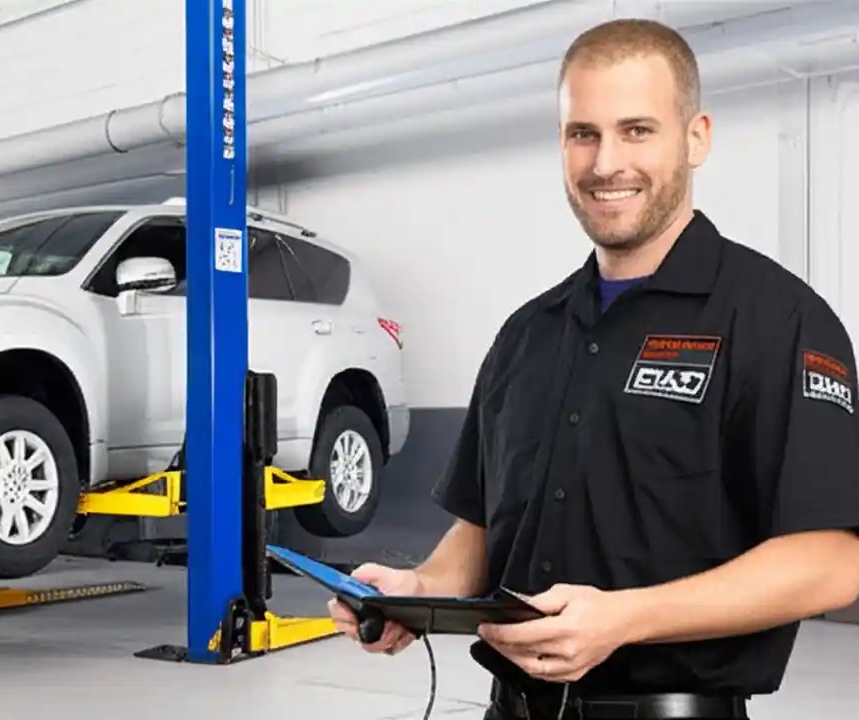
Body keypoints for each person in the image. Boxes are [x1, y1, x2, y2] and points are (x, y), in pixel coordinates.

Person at [328, 17, 859, 720]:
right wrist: (415, 591)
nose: (607, 162)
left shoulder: (777, 321)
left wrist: (623, 619)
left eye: (638, 130)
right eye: (584, 133)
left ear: (696, 137)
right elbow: (484, 534)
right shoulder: (527, 335)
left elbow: (830, 562)